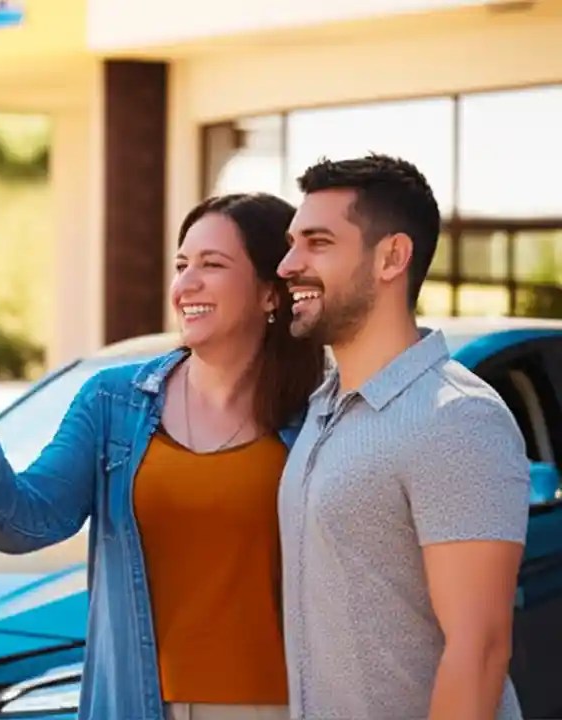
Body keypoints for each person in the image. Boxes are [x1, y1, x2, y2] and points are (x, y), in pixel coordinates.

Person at [0, 193, 326, 720]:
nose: (186, 285)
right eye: (182, 265)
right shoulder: (113, 402)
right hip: (136, 703)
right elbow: (26, 522)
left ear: (271, 293)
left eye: (213, 265)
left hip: (281, 707)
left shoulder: (322, 414)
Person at [276, 153, 530, 720]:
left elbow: (480, 651)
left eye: (317, 243)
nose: (289, 264)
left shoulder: (456, 419)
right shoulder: (324, 409)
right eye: (292, 243)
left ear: (392, 256)